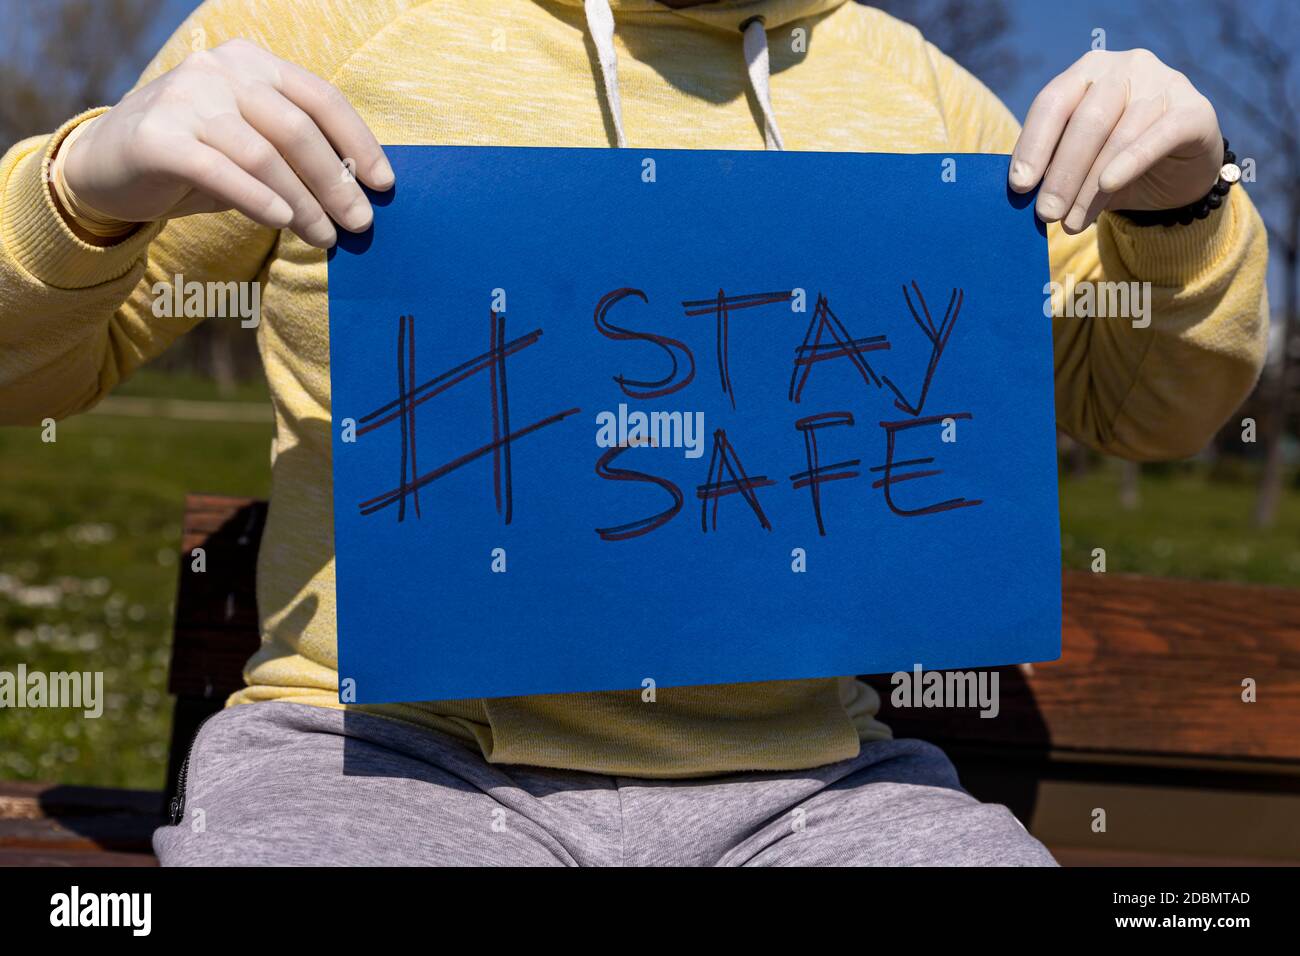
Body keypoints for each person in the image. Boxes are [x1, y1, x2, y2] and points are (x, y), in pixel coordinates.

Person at [0, 0, 1267, 866]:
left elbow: (1143, 407)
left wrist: (1184, 207)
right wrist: (83, 189)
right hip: (379, 760)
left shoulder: (924, 101)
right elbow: (37, 370)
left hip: (818, 788)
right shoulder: (327, 28)